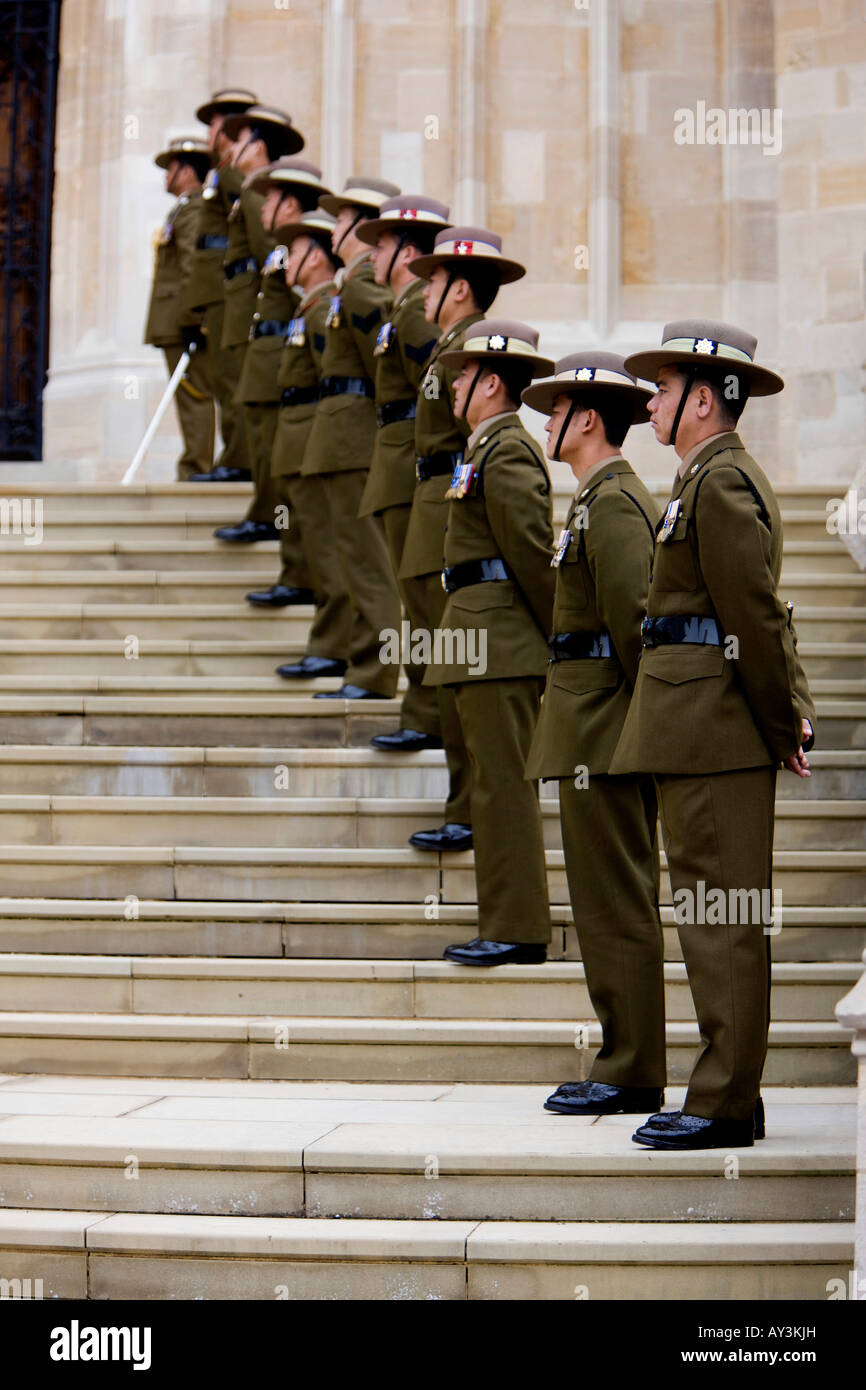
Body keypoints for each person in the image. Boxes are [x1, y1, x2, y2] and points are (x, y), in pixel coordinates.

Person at [609, 318, 817, 1150]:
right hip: (700, 730)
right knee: (711, 911)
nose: (653, 403)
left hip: (718, 733)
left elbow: (756, 619)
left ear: (703, 398)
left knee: (721, 915)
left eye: (663, 390)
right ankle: (729, 1091)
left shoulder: (721, 484)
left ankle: (725, 1098)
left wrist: (779, 722)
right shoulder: (707, 479)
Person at [521, 352, 664, 1115]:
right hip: (590, 728)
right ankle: (625, 1057)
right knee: (606, 898)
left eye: (556, 411)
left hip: (605, 733)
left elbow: (635, 627)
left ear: (588, 419)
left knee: (615, 901)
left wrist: (639, 737)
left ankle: (633, 1067)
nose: (546, 422)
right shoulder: (595, 499)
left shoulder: (611, 505)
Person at [423, 320, 556, 966]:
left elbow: (532, 556)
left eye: (462, 375)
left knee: (503, 787)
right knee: (490, 786)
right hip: (478, 638)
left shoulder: (507, 451)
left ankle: (519, 926)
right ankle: (504, 919)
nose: (451, 388)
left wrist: (556, 640)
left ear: (492, 382)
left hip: (501, 642)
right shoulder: (484, 448)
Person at [402, 228, 527, 854]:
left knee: (460, 686)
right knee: (449, 672)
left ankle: (467, 806)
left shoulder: (474, 347)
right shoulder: (449, 347)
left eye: (435, 280)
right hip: (439, 508)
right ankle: (464, 804)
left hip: (453, 510)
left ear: (461, 290)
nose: (424, 290)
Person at [300, 176, 403, 701]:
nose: (333, 229)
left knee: (368, 565)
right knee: (355, 559)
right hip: (345, 436)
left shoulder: (362, 285)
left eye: (341, 219)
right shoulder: (355, 282)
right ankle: (363, 665)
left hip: (355, 437)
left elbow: (383, 366)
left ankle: (373, 672)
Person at [355, 195, 451, 750]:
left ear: (409, 250)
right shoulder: (404, 307)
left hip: (411, 462)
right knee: (413, 599)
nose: (371, 255)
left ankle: (428, 712)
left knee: (421, 601)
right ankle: (422, 708)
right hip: (396, 460)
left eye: (382, 245)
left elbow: (436, 395)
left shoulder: (415, 311)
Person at [233, 158, 331, 608]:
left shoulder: (309, 253)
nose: (263, 206)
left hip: (289, 376)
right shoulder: (283, 249)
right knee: (280, 474)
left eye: (271, 199)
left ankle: (301, 573)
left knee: (292, 485)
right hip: (274, 367)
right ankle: (296, 570)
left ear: (290, 204)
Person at [212, 105, 305, 543]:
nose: (234, 147)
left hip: (270, 331)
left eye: (242, 139)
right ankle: (266, 512)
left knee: (268, 436)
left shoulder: (258, 196)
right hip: (256, 324)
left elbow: (276, 258)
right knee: (259, 428)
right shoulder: (251, 192)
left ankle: (270, 515)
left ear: (260, 146)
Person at [271, 210, 355, 680]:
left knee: (328, 551)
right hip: (299, 439)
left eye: (296, 251)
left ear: (319, 257)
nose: (286, 261)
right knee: (316, 546)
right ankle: (329, 641)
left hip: (314, 441)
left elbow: (334, 379)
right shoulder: (310, 308)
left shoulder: (325, 310)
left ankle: (332, 645)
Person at [186, 87, 258, 482]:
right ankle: (233, 455)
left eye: (214, 123)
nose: (210, 132)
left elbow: (250, 223)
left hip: (229, 291)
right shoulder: (221, 171)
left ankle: (238, 460)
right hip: (216, 292)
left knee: (231, 377)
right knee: (224, 377)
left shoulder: (232, 173)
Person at [144, 137, 215, 480]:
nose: (165, 176)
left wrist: (192, 319)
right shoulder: (184, 208)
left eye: (170, 169)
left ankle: (196, 468)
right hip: (174, 318)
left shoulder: (195, 209)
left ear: (187, 172)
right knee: (188, 393)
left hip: (182, 319)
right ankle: (194, 465)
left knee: (193, 393)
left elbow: (193, 267)